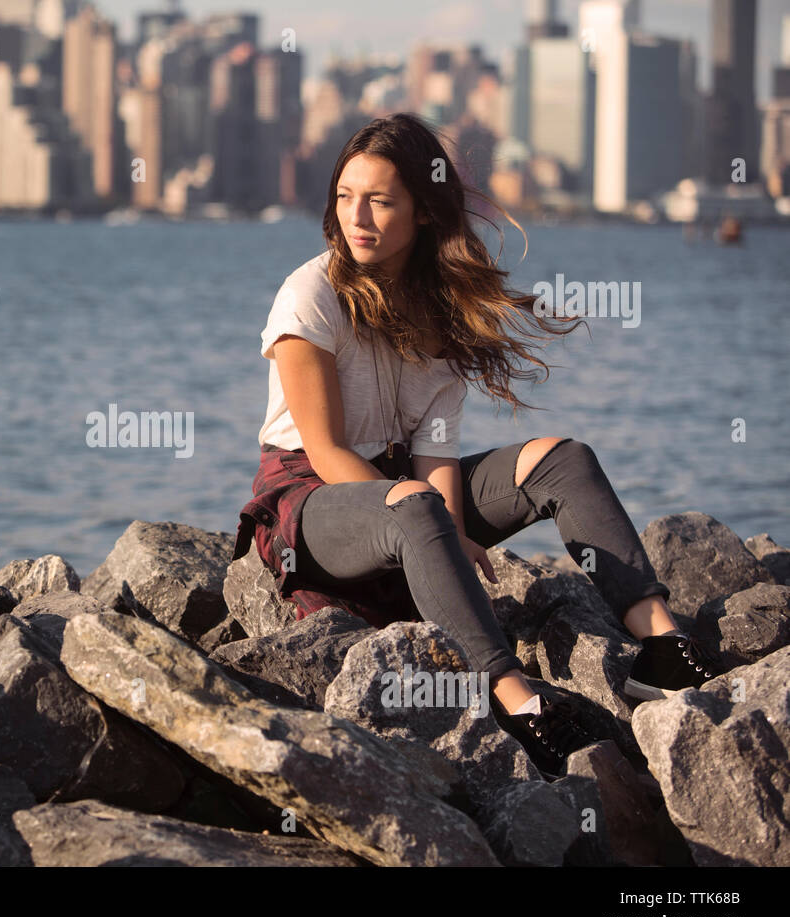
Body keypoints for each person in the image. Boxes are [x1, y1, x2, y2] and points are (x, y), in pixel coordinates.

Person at [241, 113, 725, 777]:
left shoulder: (436, 312)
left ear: (422, 214)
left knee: (563, 460)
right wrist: (427, 515)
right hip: (311, 504)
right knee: (412, 503)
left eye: (381, 201)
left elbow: (435, 446)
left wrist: (454, 529)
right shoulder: (310, 294)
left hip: (400, 490)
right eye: (346, 197)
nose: (359, 216)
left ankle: (661, 642)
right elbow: (323, 450)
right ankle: (515, 703)